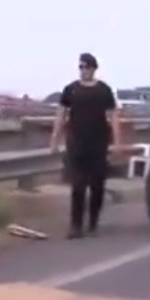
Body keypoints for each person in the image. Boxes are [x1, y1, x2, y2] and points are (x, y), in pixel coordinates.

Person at [49, 52, 123, 239]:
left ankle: (93, 221)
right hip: (76, 143)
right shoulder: (70, 90)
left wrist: (117, 142)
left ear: (94, 69)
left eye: (87, 67)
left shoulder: (104, 90)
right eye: (81, 67)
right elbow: (61, 115)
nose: (83, 71)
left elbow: (113, 117)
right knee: (78, 185)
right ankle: (76, 225)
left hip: (98, 144)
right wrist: (54, 140)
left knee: (97, 185)